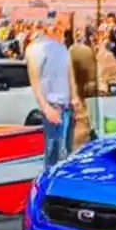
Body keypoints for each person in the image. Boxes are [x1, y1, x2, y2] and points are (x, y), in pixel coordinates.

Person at [27, 18, 79, 169]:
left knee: (66, 155)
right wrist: (46, 107)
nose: (59, 32)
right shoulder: (35, 49)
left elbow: (70, 74)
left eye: (60, 28)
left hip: (66, 106)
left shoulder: (62, 48)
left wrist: (74, 98)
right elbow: (35, 80)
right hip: (52, 106)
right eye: (54, 29)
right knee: (52, 155)